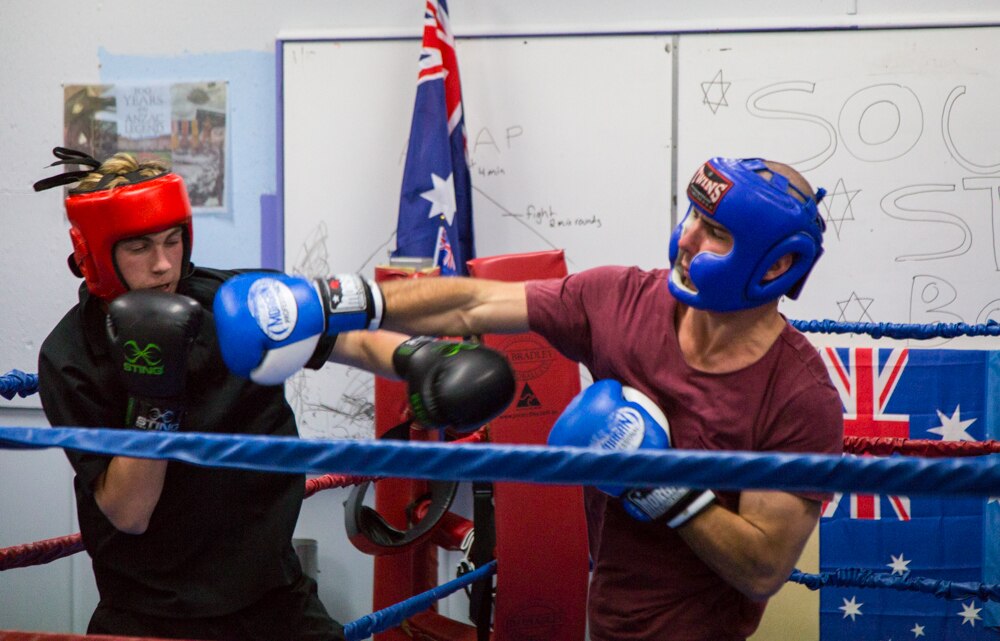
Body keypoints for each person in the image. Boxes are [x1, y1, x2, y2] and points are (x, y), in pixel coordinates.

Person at [214, 157, 845, 641]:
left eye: (714, 235)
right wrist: (339, 302)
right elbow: (471, 301)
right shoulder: (620, 300)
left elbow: (763, 567)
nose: (685, 242)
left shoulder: (798, 395)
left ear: (774, 266)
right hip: (608, 620)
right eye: (692, 219)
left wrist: (659, 486)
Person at [33, 148, 513, 640]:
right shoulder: (71, 356)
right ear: (93, 252)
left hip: (273, 597)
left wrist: (420, 361)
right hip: (150, 612)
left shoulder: (238, 303)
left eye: (173, 241)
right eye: (139, 248)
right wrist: (156, 393)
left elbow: (347, 337)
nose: (162, 265)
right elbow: (129, 514)